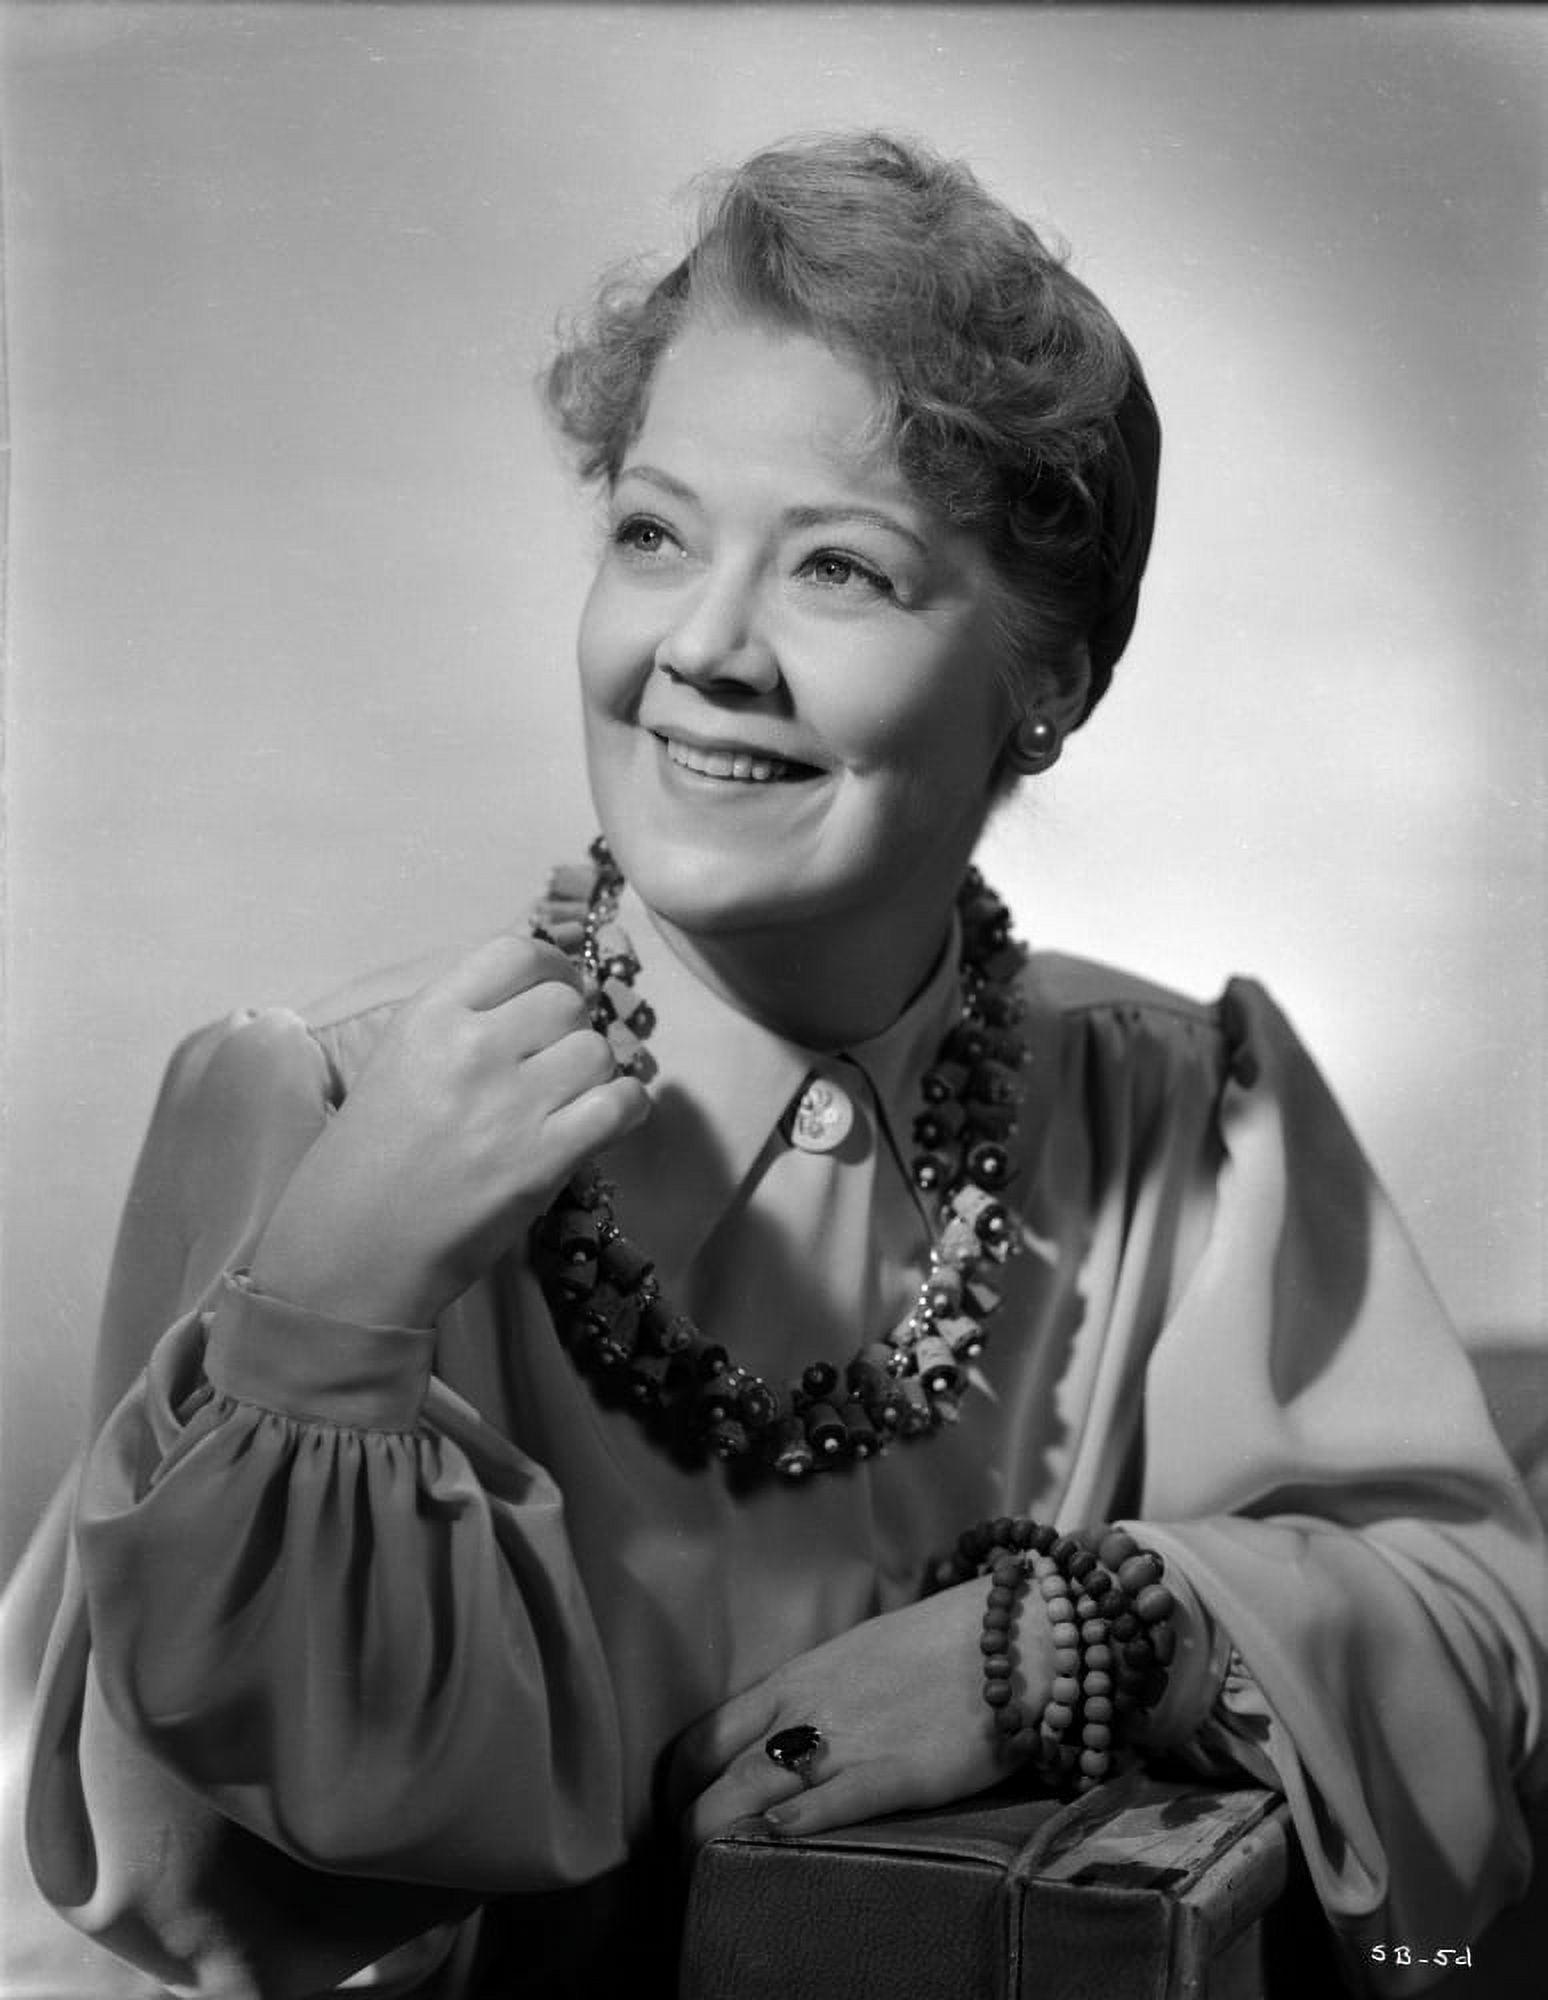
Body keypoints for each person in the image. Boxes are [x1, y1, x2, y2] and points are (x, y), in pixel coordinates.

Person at [14, 132, 1546, 1999]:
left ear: (1048, 681)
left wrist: (1057, 1643)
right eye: (654, 533)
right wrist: (325, 1327)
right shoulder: (316, 1118)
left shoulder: (1187, 1111)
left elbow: (1479, 1632)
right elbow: (183, 1902)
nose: (707, 648)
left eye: (838, 566)